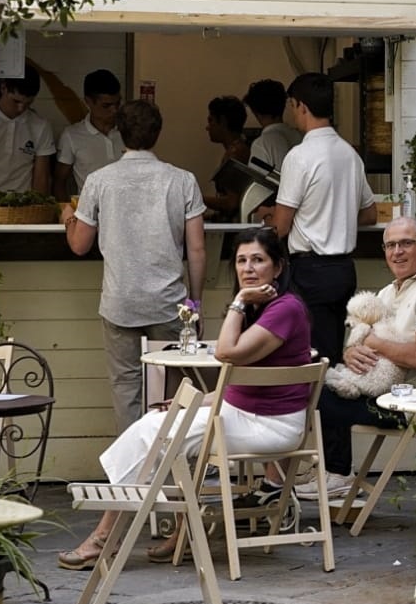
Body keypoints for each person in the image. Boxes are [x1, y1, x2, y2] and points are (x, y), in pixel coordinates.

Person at [58, 227, 312, 570]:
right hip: (249, 416)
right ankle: (186, 530)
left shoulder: (284, 309)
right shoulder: (269, 308)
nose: (248, 268)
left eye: (258, 260)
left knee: (157, 434)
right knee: (158, 424)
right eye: (241, 261)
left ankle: (107, 534)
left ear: (278, 268)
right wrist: (194, 403)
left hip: (268, 426)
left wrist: (238, 301)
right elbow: (239, 388)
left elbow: (225, 353)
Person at [63, 99, 206, 431]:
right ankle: (171, 467)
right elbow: (197, 250)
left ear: (118, 131)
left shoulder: (99, 181)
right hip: (170, 304)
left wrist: (68, 218)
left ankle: (133, 471)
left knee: (127, 387)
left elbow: (79, 244)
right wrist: (194, 304)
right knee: (174, 388)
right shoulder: (182, 180)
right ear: (158, 133)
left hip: (120, 302)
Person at [300, 215, 416, 500]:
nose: (396, 252)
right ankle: (325, 473)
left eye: (406, 243)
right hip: (371, 389)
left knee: (305, 394)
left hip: (404, 403)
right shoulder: (388, 291)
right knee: (307, 384)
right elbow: (357, 340)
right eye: (390, 245)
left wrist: (373, 341)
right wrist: (351, 352)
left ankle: (330, 474)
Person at [272, 71, 377, 365]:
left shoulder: (300, 156)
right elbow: (369, 213)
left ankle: (316, 411)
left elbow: (280, 225)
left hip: (310, 270)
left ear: (300, 105)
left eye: (291, 105)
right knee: (332, 349)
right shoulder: (350, 154)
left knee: (310, 354)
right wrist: (337, 216)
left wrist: (272, 216)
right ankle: (326, 410)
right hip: (343, 270)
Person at [0, 69, 56, 194]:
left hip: (22, 204)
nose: (21, 108)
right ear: (3, 88)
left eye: (28, 103)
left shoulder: (41, 126)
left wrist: (39, 206)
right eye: (16, 101)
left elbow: (41, 177)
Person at [53, 69, 123, 199]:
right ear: (88, 102)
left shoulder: (129, 131)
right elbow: (59, 181)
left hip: (126, 212)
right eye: (106, 106)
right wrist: (66, 212)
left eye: (117, 104)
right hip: (89, 213)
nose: (114, 110)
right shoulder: (71, 135)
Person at [240, 78, 300, 222]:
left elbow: (258, 193)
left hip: (276, 220)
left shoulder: (262, 143)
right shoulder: (300, 137)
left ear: (256, 112)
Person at [202, 95, 252, 221]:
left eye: (211, 121)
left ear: (223, 121)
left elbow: (232, 203)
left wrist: (198, 198)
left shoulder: (236, 154)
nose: (207, 127)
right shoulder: (236, 149)